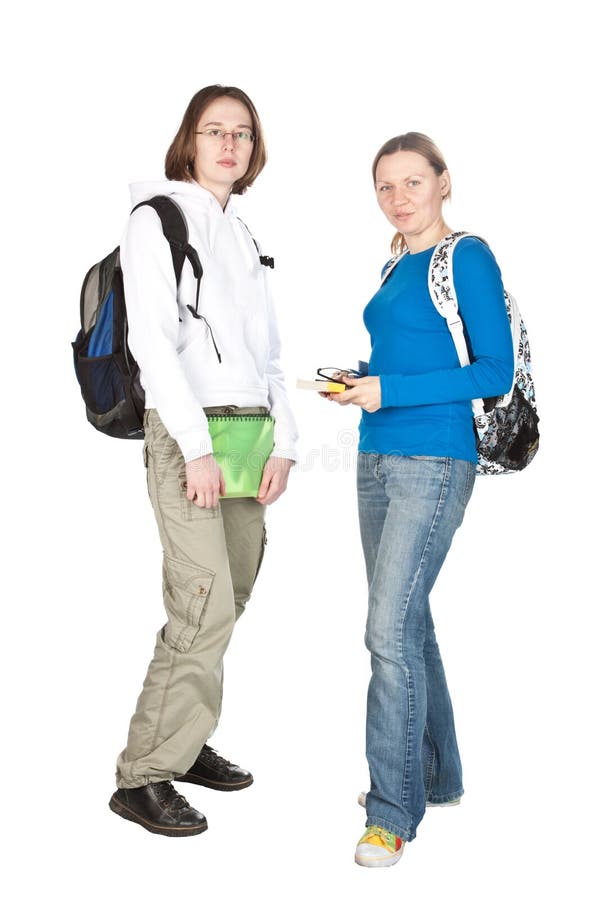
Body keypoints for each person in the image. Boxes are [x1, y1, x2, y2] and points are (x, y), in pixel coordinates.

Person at [109, 85, 298, 837]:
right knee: (201, 603)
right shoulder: (155, 218)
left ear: (254, 150)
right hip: (191, 431)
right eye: (214, 131)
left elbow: (268, 354)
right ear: (188, 140)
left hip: (250, 430)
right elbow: (152, 344)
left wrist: (282, 441)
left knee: (232, 594)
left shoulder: (242, 232)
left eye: (243, 134)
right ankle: (143, 774)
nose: (229, 144)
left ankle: (183, 743)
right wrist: (194, 448)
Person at [324, 132, 514, 866]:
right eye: (385, 187)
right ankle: (437, 776)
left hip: (434, 460)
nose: (399, 198)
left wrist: (391, 391)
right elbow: (412, 356)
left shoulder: (465, 256)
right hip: (376, 455)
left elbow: (492, 370)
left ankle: (391, 811)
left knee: (385, 631)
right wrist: (361, 381)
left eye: (413, 182)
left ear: (443, 182)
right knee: (410, 624)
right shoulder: (395, 262)